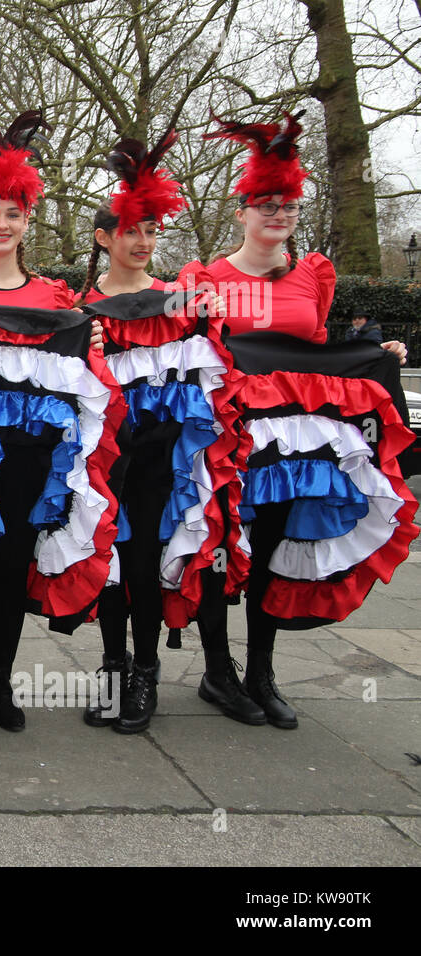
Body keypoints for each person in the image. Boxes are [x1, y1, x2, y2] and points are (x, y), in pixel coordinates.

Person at [186, 111, 408, 729]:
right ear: (242, 211)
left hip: (295, 443)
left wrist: (373, 357)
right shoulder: (208, 279)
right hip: (226, 438)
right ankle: (217, 671)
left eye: (285, 204)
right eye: (264, 204)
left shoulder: (312, 275)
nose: (276, 214)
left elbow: (316, 352)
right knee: (218, 550)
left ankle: (261, 671)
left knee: (273, 550)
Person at [0, 107, 106, 735]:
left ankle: (1, 681)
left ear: (27, 218)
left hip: (32, 457)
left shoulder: (57, 300)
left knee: (9, 568)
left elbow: (81, 370)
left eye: (12, 212)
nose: (0, 223)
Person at [75, 131, 232, 734]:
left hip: (160, 455)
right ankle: (113, 670)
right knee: (110, 561)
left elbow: (223, 369)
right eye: (131, 230)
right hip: (106, 455)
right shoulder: (81, 310)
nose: (142, 241)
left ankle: (143, 674)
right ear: (104, 237)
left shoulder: (181, 305)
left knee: (141, 561)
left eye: (150, 230)